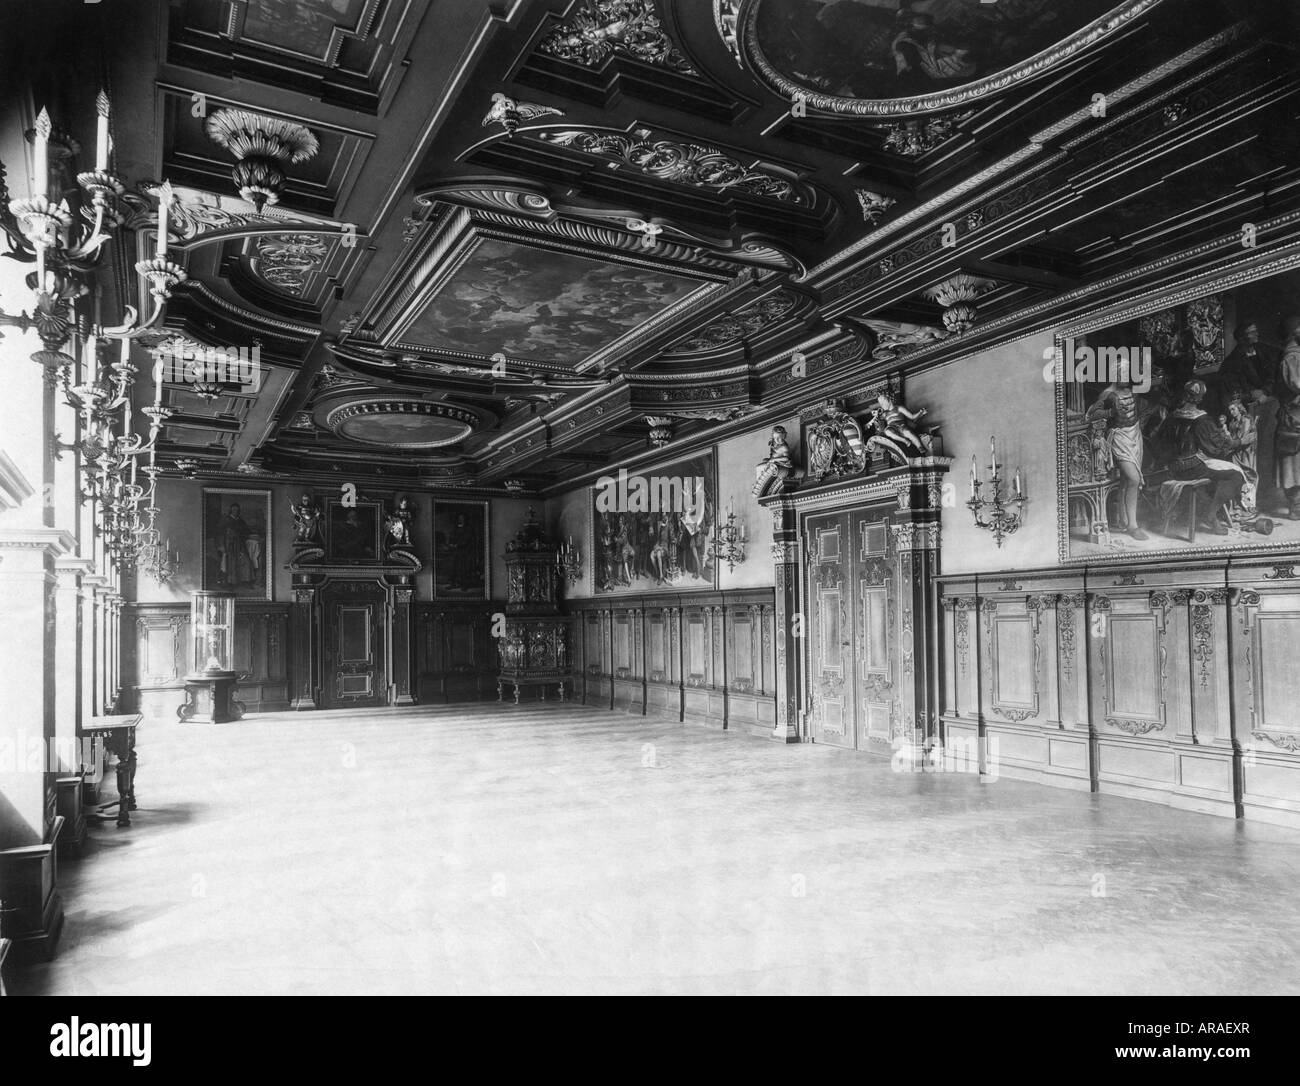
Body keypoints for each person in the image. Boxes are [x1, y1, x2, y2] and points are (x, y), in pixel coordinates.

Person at [1163, 380, 1247, 535]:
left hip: (1173, 469)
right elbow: (1217, 448)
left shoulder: (1171, 416)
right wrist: (1240, 441)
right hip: (1191, 468)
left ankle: (1209, 512)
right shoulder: (1202, 420)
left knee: (1215, 472)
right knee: (1235, 475)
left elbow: (1161, 444)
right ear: (1200, 398)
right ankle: (1211, 513)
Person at [1085, 379, 1151, 541]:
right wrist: (1110, 413)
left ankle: (1123, 520)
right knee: (1134, 479)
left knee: (1126, 481)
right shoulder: (1107, 394)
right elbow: (1092, 414)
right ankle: (1133, 526)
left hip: (1135, 437)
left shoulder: (1131, 392)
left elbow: (1144, 408)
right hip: (1119, 438)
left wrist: (1139, 423)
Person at [1276, 316, 1300, 520]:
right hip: (1294, 416)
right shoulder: (1291, 356)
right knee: (1292, 462)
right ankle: (1295, 506)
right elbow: (1296, 384)